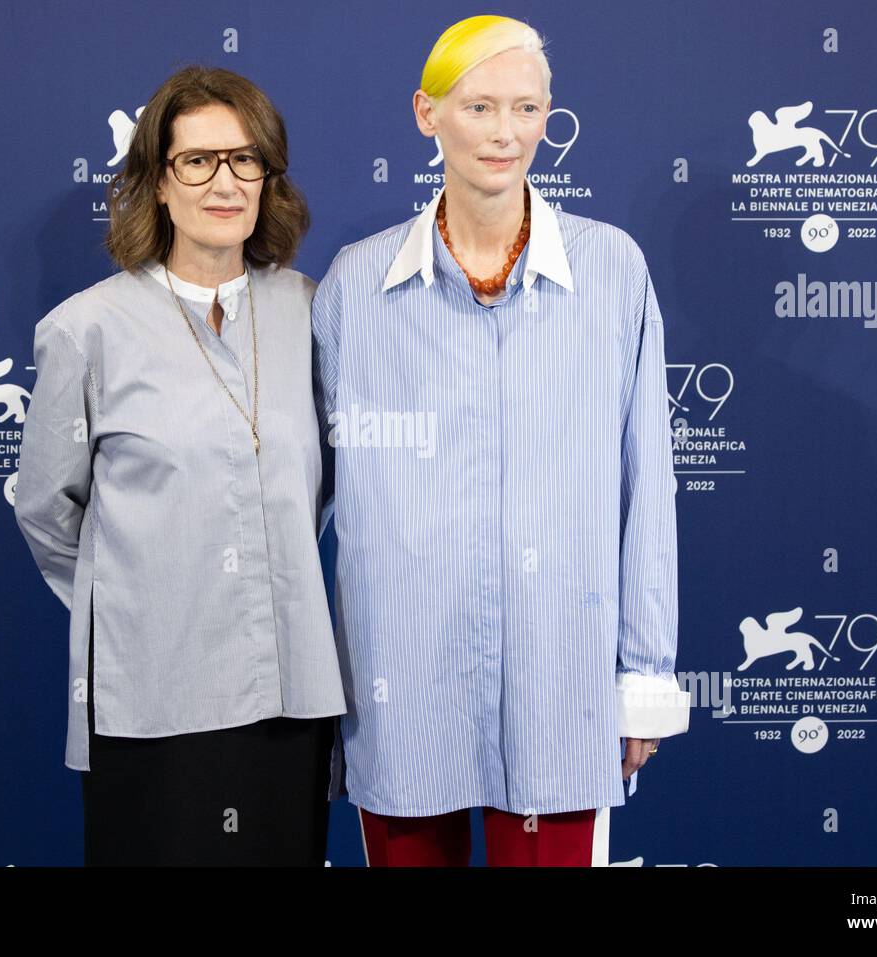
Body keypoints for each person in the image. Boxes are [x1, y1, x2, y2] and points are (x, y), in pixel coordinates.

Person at [311, 15, 690, 867]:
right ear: (427, 114)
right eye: (479, 105)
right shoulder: (353, 289)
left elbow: (647, 483)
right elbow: (304, 503)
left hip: (565, 686)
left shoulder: (613, 272)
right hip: (398, 689)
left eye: (527, 107)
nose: (505, 131)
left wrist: (646, 676)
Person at [14, 65, 346, 866]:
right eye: (197, 161)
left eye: (244, 159)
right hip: (153, 697)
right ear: (157, 183)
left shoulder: (313, 308)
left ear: (269, 177)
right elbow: (47, 511)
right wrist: (140, 598)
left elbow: (326, 488)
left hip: (289, 695)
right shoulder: (85, 330)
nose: (223, 181)